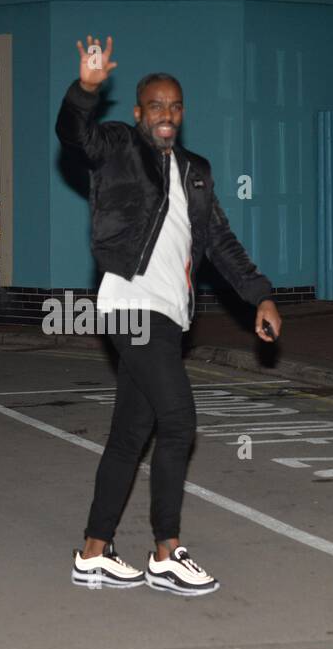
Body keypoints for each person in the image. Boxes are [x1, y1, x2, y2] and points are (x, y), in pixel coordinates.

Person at [56, 34, 283, 596]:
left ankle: (94, 552)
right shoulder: (117, 146)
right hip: (132, 307)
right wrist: (86, 88)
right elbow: (73, 134)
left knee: (131, 432)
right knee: (179, 419)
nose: (166, 114)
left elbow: (220, 242)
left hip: (169, 315)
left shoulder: (196, 172)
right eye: (155, 105)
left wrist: (261, 295)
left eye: (174, 106)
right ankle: (166, 550)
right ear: (137, 113)